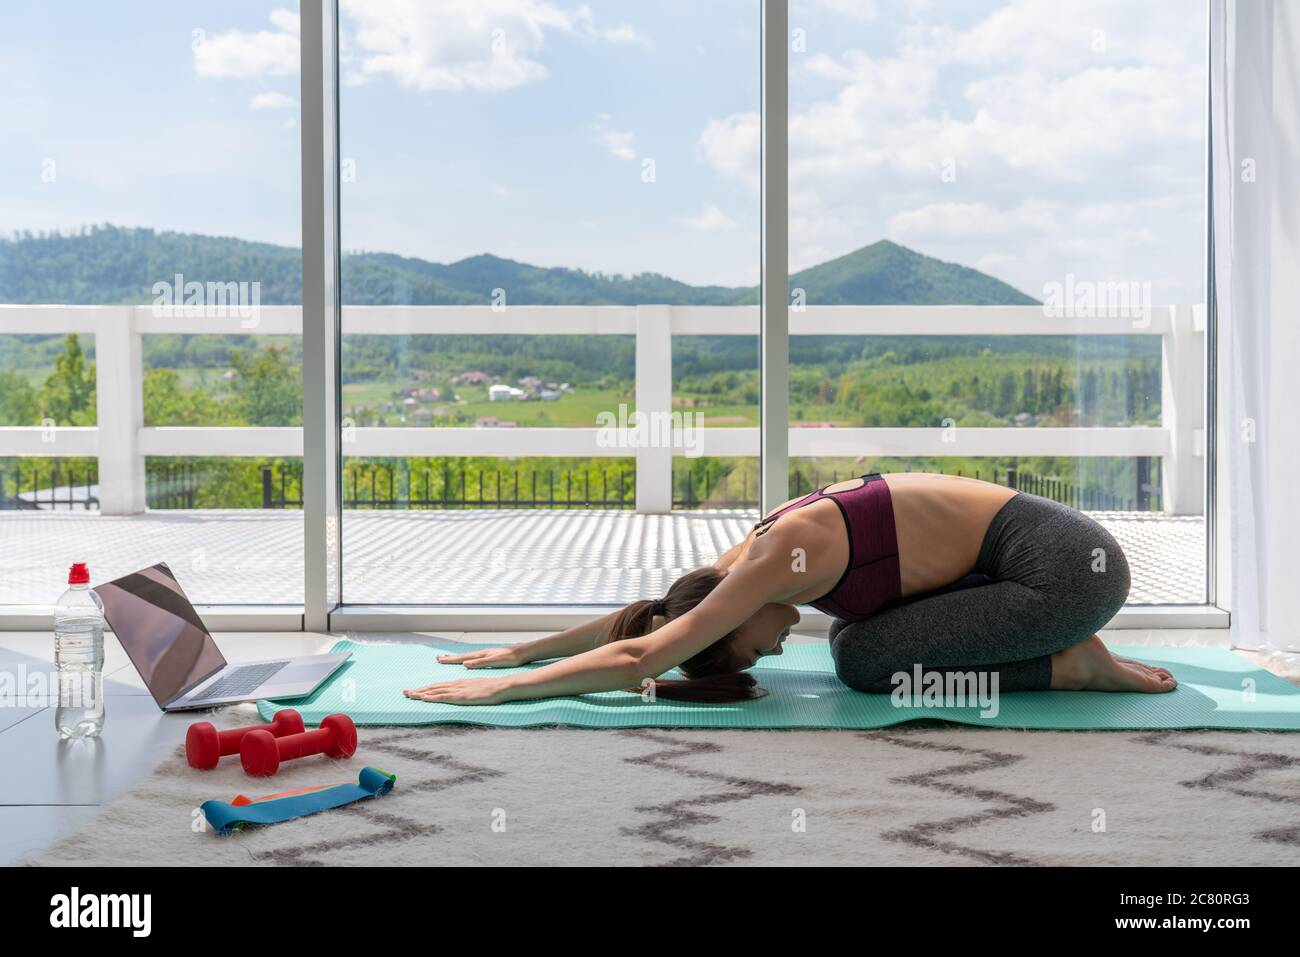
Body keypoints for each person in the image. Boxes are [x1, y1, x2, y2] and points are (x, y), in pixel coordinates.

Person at [404, 472, 1175, 705]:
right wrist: (520, 647)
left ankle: (1070, 664)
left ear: (725, 622)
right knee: (854, 640)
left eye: (749, 647)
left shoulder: (781, 558)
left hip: (1067, 572)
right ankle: (1059, 648)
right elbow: (650, 616)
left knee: (868, 665)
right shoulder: (749, 561)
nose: (771, 646)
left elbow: (644, 654)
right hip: (1024, 566)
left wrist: (509, 691)